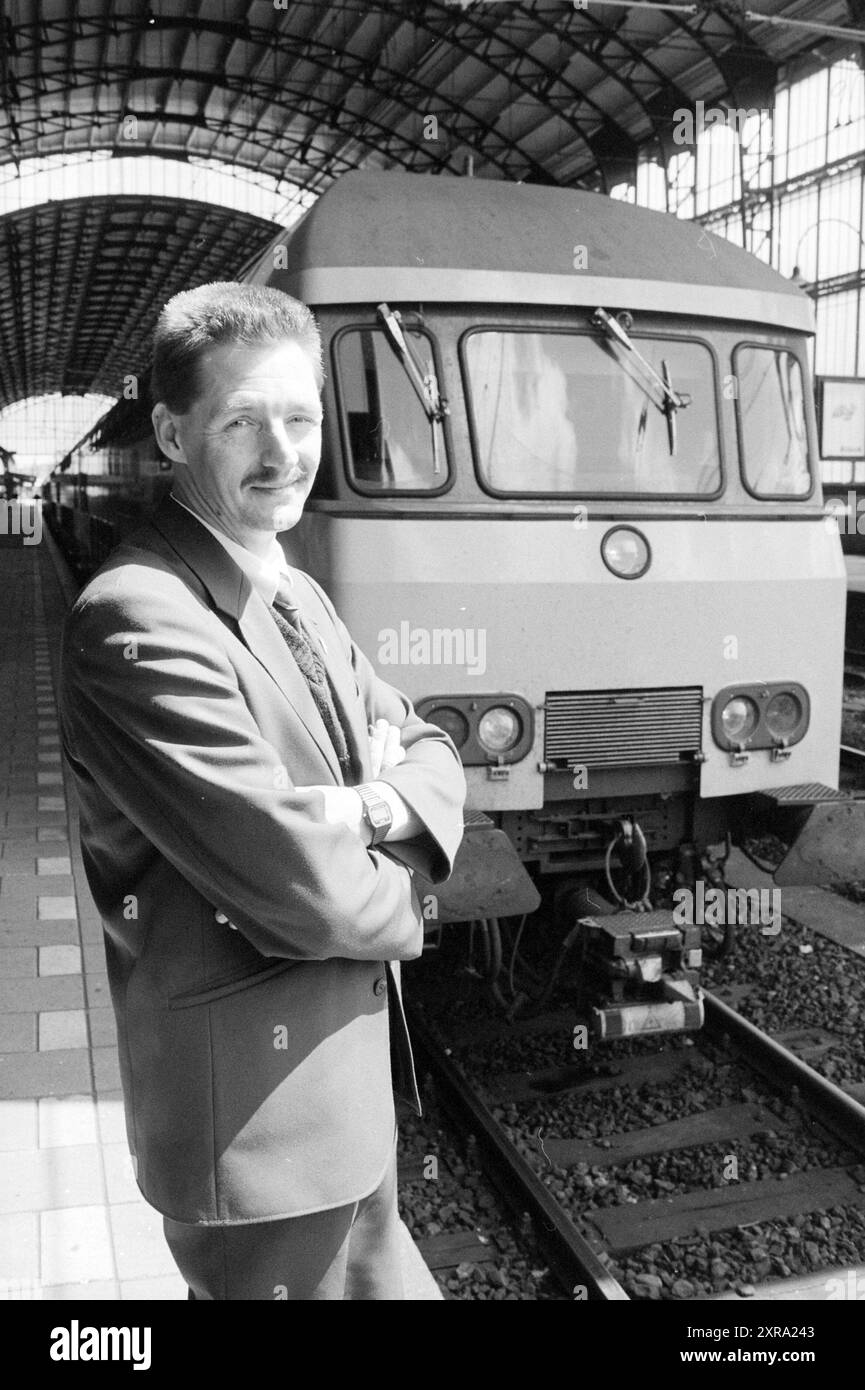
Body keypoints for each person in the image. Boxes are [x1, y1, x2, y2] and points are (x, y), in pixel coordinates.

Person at [59, 282, 467, 1300]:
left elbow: (429, 744)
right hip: (257, 1136)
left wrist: (365, 808)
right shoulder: (138, 619)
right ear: (170, 431)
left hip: (346, 1101)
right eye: (242, 421)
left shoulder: (296, 590)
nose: (280, 452)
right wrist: (410, 888)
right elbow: (304, 892)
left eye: (297, 418)